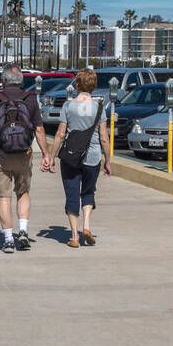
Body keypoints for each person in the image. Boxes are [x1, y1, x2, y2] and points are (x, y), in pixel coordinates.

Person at [0, 65, 51, 253]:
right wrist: (46, 154)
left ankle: (9, 240)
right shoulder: (30, 99)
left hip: (2, 154)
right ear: (21, 80)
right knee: (23, 192)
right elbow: (39, 129)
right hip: (24, 154)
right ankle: (23, 231)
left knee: (4, 197)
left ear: (3, 80)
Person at [48, 67, 111, 247]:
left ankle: (74, 236)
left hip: (71, 156)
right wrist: (108, 161)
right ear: (93, 86)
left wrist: (52, 157)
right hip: (93, 156)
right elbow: (104, 138)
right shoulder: (99, 107)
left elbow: (60, 134)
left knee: (72, 193)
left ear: (77, 84)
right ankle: (87, 226)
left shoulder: (68, 106)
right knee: (88, 192)